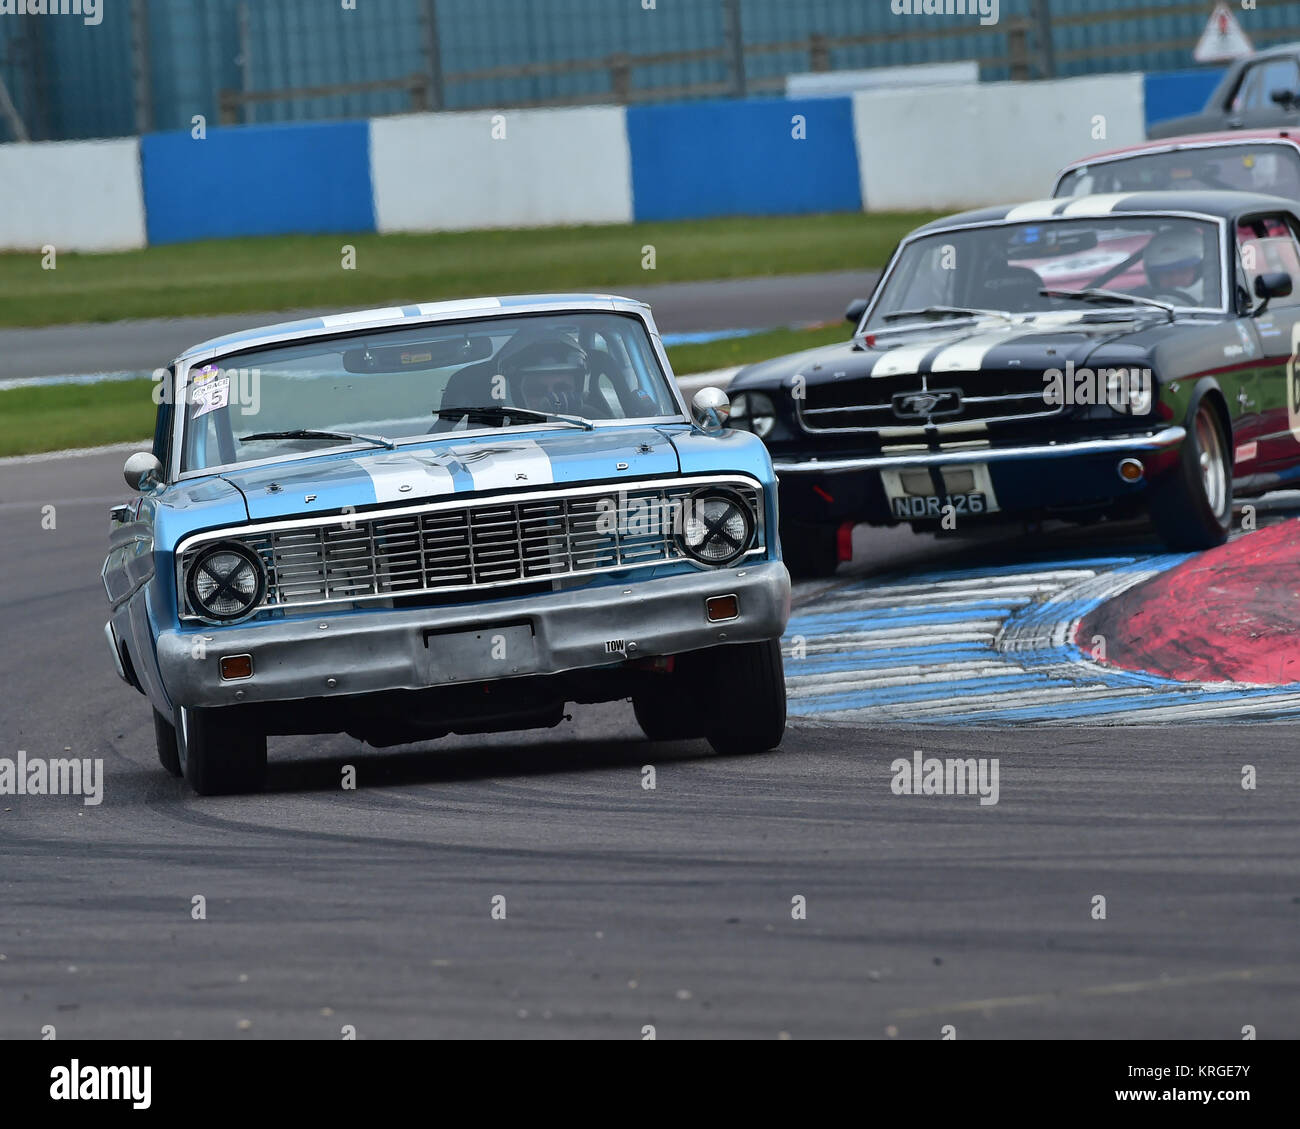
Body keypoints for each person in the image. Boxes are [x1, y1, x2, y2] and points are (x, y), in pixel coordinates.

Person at [1141, 226, 1206, 303]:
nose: (1175, 279)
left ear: (1200, 271)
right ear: (1153, 277)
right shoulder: (1140, 305)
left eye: (1183, 271)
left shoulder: (1219, 302)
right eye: (1166, 273)